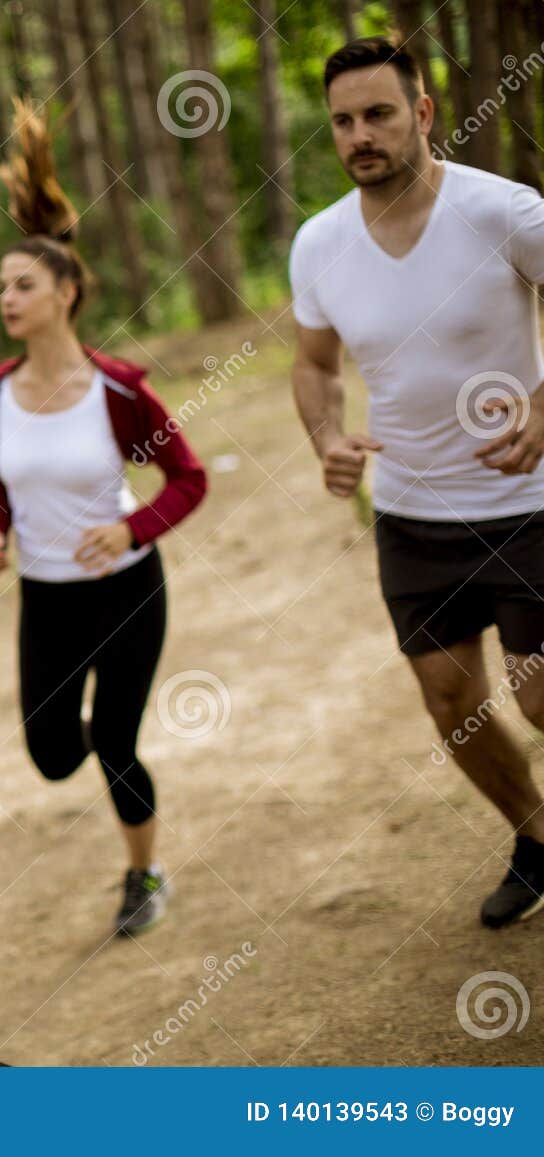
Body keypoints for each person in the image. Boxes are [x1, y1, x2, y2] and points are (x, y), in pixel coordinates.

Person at [289, 36, 544, 930]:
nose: (360, 134)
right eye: (344, 121)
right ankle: (537, 836)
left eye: (379, 114)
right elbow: (315, 363)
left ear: (424, 113)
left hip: (528, 503)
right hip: (411, 516)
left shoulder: (503, 211)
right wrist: (327, 436)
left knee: (539, 692)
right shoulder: (319, 243)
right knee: (451, 703)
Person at [0, 100, 208, 935]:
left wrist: (133, 529)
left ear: (66, 292)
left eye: (22, 284)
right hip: (48, 596)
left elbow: (189, 477)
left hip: (126, 589)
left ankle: (146, 874)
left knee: (119, 744)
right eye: (1, 287)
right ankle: (108, 732)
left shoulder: (123, 390)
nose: (7, 298)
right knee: (55, 752)